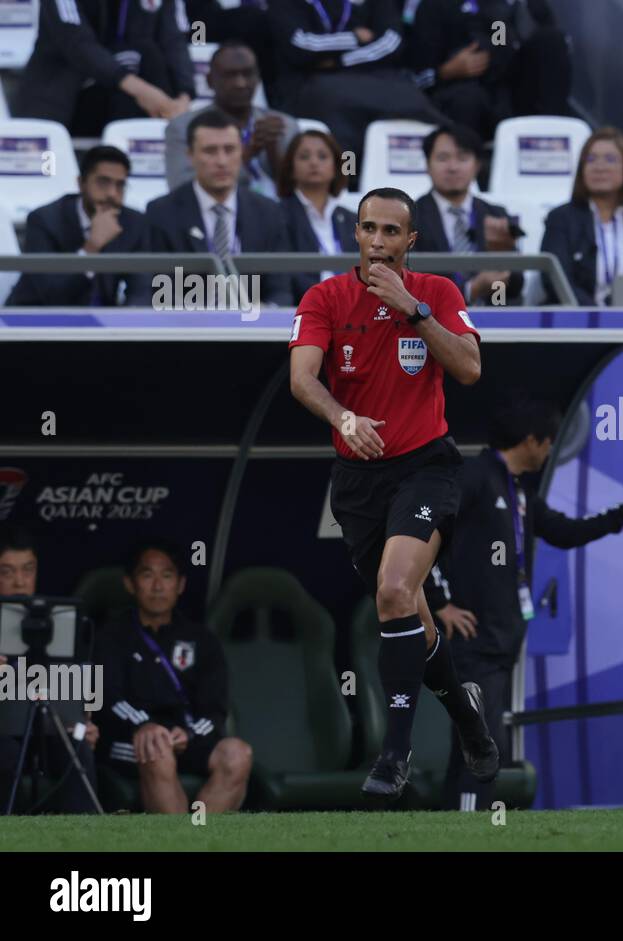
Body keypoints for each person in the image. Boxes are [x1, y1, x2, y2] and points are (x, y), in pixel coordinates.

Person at [286, 185, 498, 800]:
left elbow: (469, 368)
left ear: (412, 240)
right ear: (356, 233)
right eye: (368, 228)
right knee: (415, 620)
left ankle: (393, 755)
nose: (377, 241)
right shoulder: (325, 296)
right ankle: (465, 715)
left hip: (426, 467)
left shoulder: (436, 293)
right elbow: (302, 379)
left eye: (390, 231)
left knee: (394, 590)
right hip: (357, 480)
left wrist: (412, 309)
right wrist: (343, 417)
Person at [426, 397, 623, 811]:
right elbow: (425, 533)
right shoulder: (474, 476)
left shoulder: (519, 490)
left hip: (501, 641)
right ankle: (470, 822)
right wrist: (439, 602)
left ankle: (459, 821)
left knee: (478, 737)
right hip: (473, 643)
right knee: (482, 737)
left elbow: (564, 531)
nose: (549, 452)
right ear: (531, 441)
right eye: (548, 443)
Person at [93, 542, 252, 814]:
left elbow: (215, 709)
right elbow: (107, 699)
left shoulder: (201, 639)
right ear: (130, 584)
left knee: (238, 754)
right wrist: (146, 726)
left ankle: (197, 841)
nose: (157, 586)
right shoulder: (111, 637)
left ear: (180, 584)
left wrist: (188, 734)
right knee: (157, 748)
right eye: (147, 575)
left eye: (166, 576)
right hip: (129, 741)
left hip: (185, 738)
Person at [268, 0, 445, 186]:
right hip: (312, 85)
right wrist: (353, 38)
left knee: (415, 104)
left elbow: (391, 40)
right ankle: (346, 179)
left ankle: (425, 181)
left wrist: (341, 61)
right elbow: (299, 45)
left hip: (375, 80)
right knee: (341, 122)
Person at [145, 110, 294, 307]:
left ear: (241, 151)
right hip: (186, 329)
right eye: (210, 151)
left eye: (230, 149)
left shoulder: (268, 212)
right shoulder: (162, 212)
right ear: (190, 155)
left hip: (253, 329)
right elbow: (154, 289)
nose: (222, 161)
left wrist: (264, 314)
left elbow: (281, 290)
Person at [0, 524, 100, 814]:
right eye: (7, 572)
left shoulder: (55, 618)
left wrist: (81, 722)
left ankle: (80, 843)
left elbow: (76, 690)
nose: (20, 582)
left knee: (76, 748)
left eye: (28, 570)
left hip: (42, 731)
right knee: (5, 756)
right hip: (3, 739)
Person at [15, 0, 194, 135]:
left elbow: (174, 40)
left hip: (130, 97)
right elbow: (77, 44)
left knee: (149, 55)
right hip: (64, 98)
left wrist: (183, 96)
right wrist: (143, 91)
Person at [540, 127, 623, 306]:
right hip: (578, 320)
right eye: (591, 159)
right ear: (582, 170)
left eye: (610, 159)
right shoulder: (560, 218)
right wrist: (599, 317)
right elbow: (554, 279)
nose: (599, 167)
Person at [8, 146, 152, 308]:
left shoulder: (133, 222)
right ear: (81, 183)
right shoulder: (44, 220)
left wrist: (130, 325)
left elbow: (142, 290)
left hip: (102, 322)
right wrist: (92, 247)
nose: (112, 193)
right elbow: (52, 295)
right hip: (35, 318)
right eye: (103, 182)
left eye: (120, 185)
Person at [406, 0, 571, 140]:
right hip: (455, 95)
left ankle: (552, 137)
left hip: (501, 93)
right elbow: (418, 77)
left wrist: (494, 46)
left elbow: (502, 45)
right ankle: (466, 160)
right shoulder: (433, 7)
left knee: (551, 41)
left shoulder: (496, 9)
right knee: (468, 97)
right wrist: (448, 70)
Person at [165, 40, 300, 198]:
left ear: (258, 78)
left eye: (248, 74)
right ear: (210, 80)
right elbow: (180, 187)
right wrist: (247, 152)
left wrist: (272, 149)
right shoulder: (183, 127)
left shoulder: (285, 125)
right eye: (229, 75)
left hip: (277, 217)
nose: (240, 83)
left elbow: (300, 194)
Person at [412, 125, 522, 305]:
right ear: (427, 165)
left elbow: (516, 285)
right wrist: (470, 290)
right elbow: (410, 282)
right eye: (443, 158)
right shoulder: (410, 217)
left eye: (462, 158)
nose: (453, 167)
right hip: (432, 319)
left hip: (492, 319)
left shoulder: (496, 213)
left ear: (477, 165)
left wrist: (502, 269)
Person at [278, 130, 360, 301]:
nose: (314, 162)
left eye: (322, 156)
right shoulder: (277, 215)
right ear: (291, 168)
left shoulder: (353, 220)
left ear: (336, 167)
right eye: (304, 157)